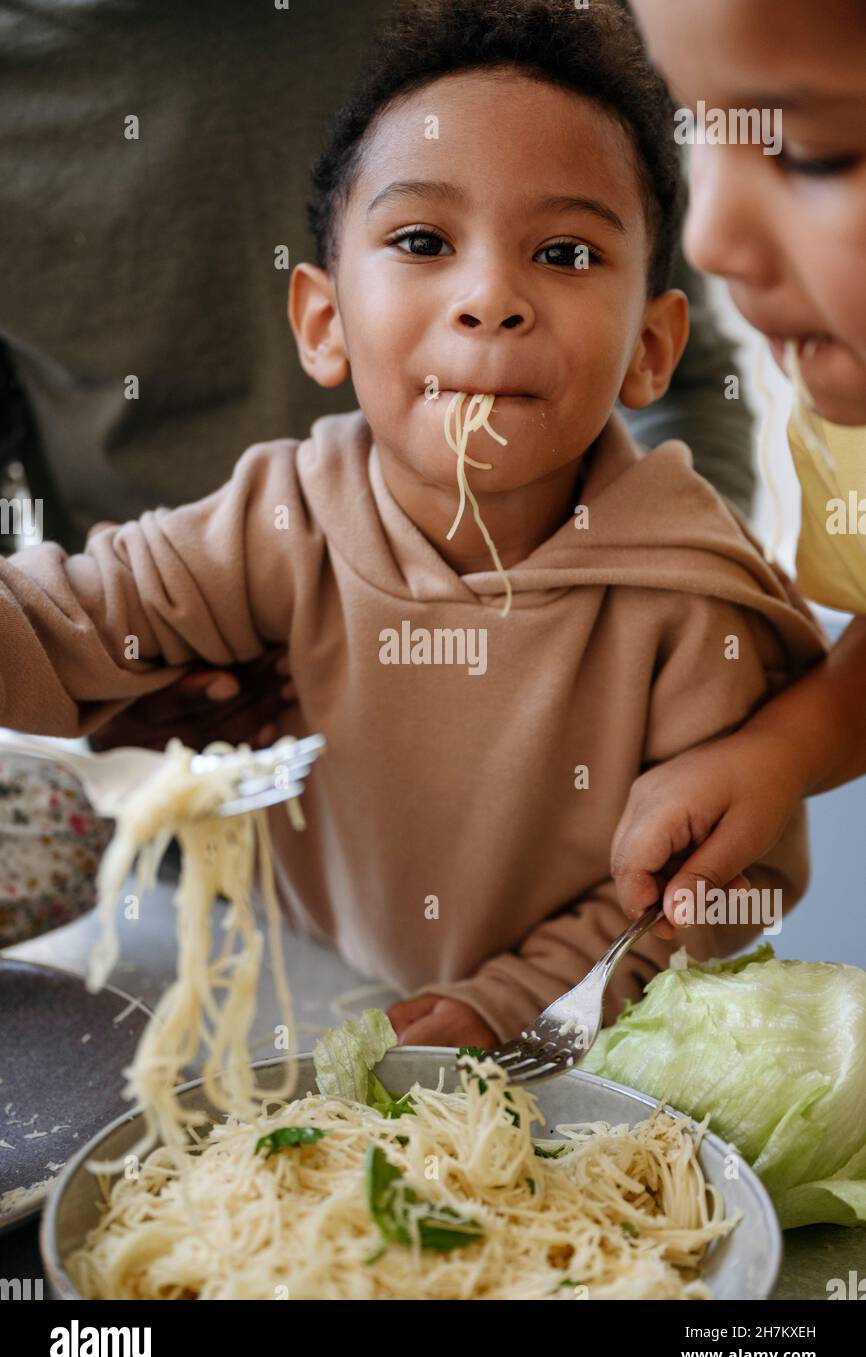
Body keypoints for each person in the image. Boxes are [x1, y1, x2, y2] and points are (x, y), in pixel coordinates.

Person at [0, 0, 824, 1047]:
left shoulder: (688, 597)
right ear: (323, 321)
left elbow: (710, 889)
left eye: (565, 253)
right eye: (423, 239)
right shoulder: (275, 518)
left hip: (581, 1067)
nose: (490, 296)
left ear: (650, 349)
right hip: (291, 997)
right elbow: (58, 625)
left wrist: (511, 1005)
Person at [612, 0, 866, 938]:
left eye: (809, 154)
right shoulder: (845, 422)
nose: (710, 235)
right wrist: (781, 751)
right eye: (698, 128)